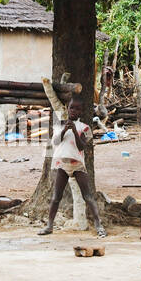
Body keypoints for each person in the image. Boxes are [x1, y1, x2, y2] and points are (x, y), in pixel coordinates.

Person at [37, 98, 107, 237]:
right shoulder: (59, 125)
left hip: (77, 165)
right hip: (62, 164)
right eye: (71, 108)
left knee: (87, 196)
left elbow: (82, 146)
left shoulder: (85, 127)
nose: (74, 111)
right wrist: (64, 130)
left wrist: (75, 131)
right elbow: (56, 142)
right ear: (67, 109)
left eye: (77, 109)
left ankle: (98, 225)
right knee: (56, 197)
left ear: (81, 111)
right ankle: (49, 226)